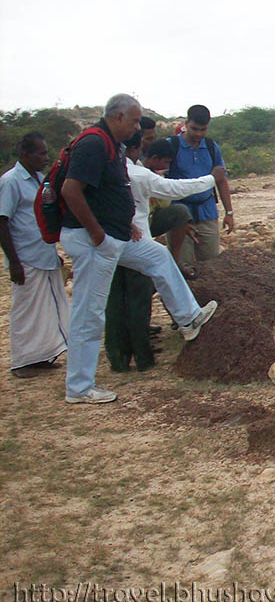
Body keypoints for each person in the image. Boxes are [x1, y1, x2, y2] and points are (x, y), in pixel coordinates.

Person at [60, 93, 218, 404]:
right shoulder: (93, 144)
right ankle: (79, 387)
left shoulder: (112, 146)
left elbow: (111, 192)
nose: (137, 128)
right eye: (133, 121)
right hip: (95, 241)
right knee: (88, 312)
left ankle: (189, 318)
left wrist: (125, 224)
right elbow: (71, 190)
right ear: (116, 117)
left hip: (115, 235)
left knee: (157, 256)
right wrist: (98, 234)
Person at [105, 135, 227, 372]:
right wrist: (212, 178)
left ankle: (120, 359)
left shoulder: (112, 171)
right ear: (132, 149)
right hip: (127, 240)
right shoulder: (135, 174)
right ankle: (182, 325)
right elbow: (175, 189)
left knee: (115, 300)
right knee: (144, 284)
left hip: (111, 238)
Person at [0, 132, 70, 378]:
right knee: (26, 310)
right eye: (39, 153)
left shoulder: (40, 180)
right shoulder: (11, 181)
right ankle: (21, 361)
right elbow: (2, 221)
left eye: (45, 152)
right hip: (26, 258)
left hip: (44, 254)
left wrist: (54, 253)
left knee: (49, 309)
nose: (44, 157)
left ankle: (42, 355)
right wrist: (14, 262)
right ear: (25, 154)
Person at [165, 104, 235, 272]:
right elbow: (157, 182)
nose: (198, 134)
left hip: (207, 213)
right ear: (186, 123)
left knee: (212, 265)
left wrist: (229, 213)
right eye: (194, 129)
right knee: (182, 266)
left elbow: (221, 181)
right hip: (179, 215)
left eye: (203, 130)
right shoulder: (171, 146)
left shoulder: (211, 147)